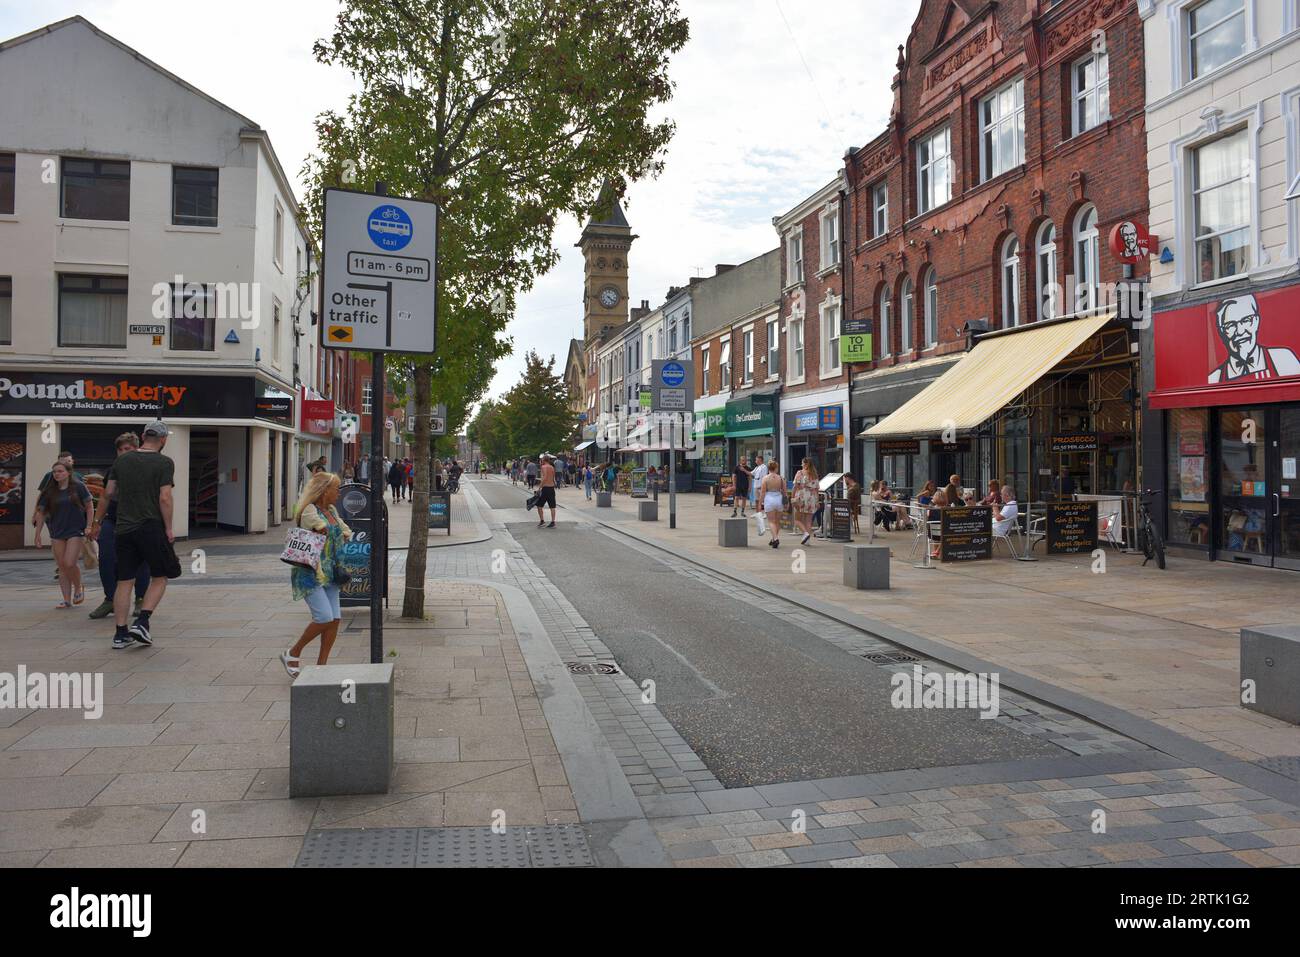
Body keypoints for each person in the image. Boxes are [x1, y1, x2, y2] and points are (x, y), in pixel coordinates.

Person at [92, 419, 175, 649]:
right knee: (160, 577)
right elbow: (165, 498)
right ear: (163, 440)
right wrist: (168, 528)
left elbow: (108, 493)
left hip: (123, 528)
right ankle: (142, 620)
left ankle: (120, 634)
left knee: (124, 580)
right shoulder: (164, 463)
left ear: (143, 435)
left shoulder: (123, 460)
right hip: (150, 526)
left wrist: (97, 522)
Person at [280, 471, 352, 678]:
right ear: (324, 490)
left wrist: (343, 533)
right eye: (336, 489)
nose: (338, 493)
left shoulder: (330, 509)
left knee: (335, 619)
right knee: (324, 617)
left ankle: (322, 666)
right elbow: (321, 528)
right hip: (310, 572)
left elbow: (344, 529)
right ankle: (292, 653)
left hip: (331, 571)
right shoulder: (309, 511)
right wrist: (330, 530)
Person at [87, 432, 151, 620]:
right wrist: (96, 523)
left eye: (128, 449)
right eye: (121, 449)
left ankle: (140, 599)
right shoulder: (113, 471)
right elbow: (106, 498)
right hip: (113, 520)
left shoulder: (147, 469)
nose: (124, 452)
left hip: (140, 521)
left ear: (136, 449)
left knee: (140, 561)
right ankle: (110, 599)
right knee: (106, 559)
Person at [33, 460, 94, 608]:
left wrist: (89, 526)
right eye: (55, 472)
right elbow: (41, 513)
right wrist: (38, 534)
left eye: (60, 471)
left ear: (68, 472)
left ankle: (78, 587)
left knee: (69, 562)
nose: (57, 474)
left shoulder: (78, 487)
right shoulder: (49, 491)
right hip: (57, 530)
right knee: (61, 565)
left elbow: (89, 506)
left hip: (75, 529)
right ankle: (66, 600)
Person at [792, 458, 819, 546]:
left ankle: (805, 533)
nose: (801, 465)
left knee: (797, 520)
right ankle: (807, 540)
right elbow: (816, 489)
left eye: (802, 463)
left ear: (806, 464)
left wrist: (792, 498)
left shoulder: (800, 473)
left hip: (802, 496)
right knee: (808, 521)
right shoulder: (814, 475)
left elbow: (795, 486)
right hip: (812, 498)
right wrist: (817, 501)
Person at [759, 459, 785, 549]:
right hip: (779, 498)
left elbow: (762, 492)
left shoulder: (765, 478)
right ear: (776, 468)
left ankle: (775, 538)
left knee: (771, 521)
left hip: (769, 499)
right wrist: (787, 502)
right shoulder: (781, 478)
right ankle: (774, 538)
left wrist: (759, 503)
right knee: (777, 522)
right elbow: (784, 492)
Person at [536, 454, 558, 528]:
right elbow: (553, 478)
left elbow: (544, 477)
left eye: (542, 459)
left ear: (544, 460)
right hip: (551, 488)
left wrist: (540, 487)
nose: (541, 461)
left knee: (539, 505)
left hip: (545, 488)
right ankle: (553, 522)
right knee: (552, 506)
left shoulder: (543, 467)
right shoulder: (552, 467)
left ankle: (542, 521)